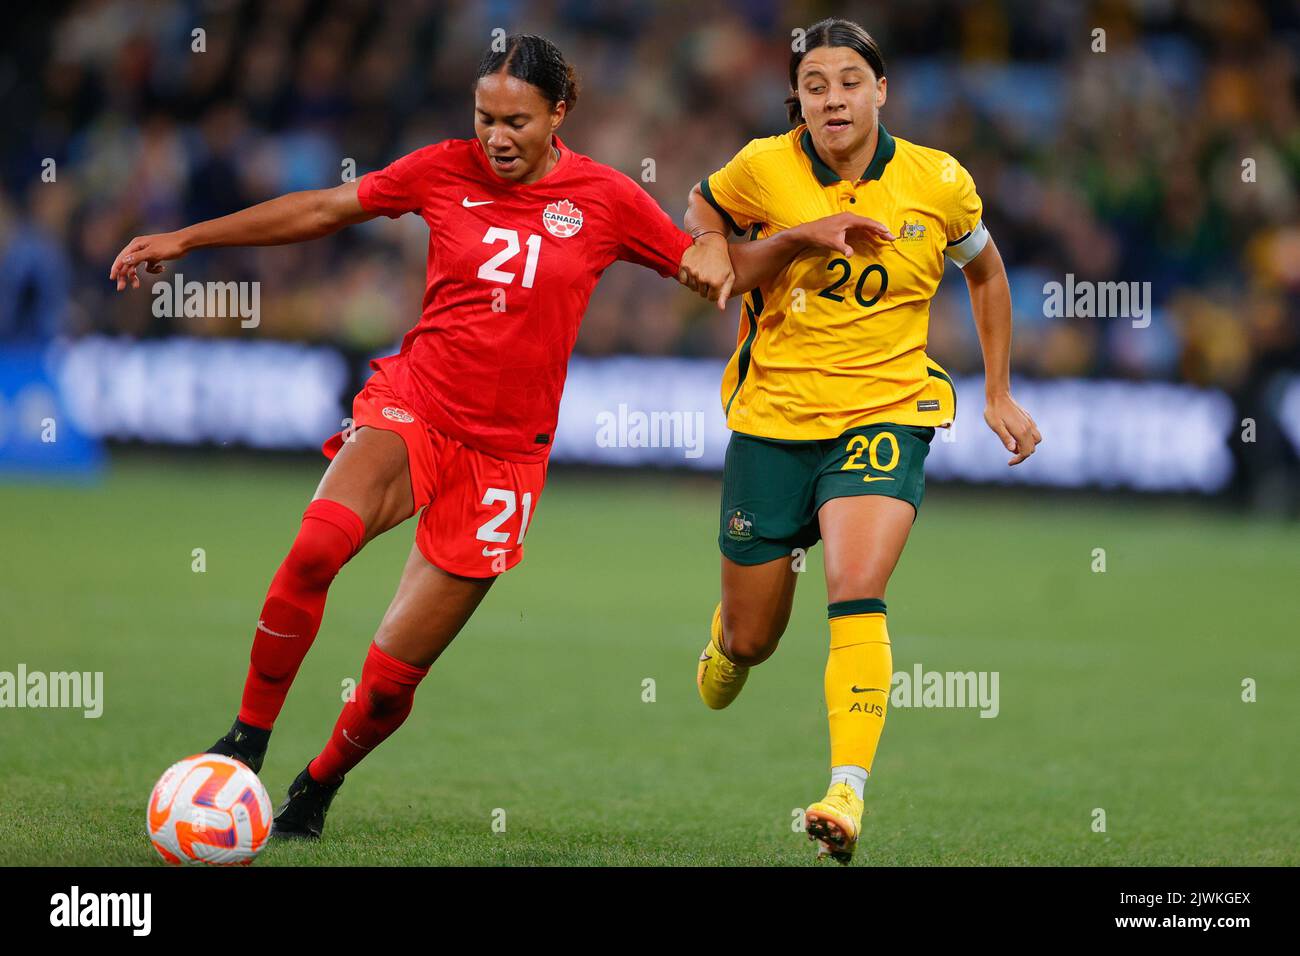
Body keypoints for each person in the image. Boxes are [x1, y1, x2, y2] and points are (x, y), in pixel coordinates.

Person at [109, 33, 878, 841]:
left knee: (389, 682)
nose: (497, 138)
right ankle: (245, 741)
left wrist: (793, 240)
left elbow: (716, 266)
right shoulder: (441, 168)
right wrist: (188, 238)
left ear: (559, 114)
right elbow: (325, 208)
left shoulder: (606, 199)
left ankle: (318, 783)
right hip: (415, 406)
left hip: (504, 461)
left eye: (517, 122)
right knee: (314, 549)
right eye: (485, 118)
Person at [682, 18, 1042, 864]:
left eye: (850, 81)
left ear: (881, 90)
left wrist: (996, 391)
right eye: (815, 85)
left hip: (886, 413)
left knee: (856, 584)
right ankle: (730, 640)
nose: (833, 98)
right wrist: (714, 244)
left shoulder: (938, 182)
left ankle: (845, 790)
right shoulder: (762, 166)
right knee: (752, 640)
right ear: (797, 100)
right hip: (773, 421)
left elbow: (986, 271)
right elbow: (704, 210)